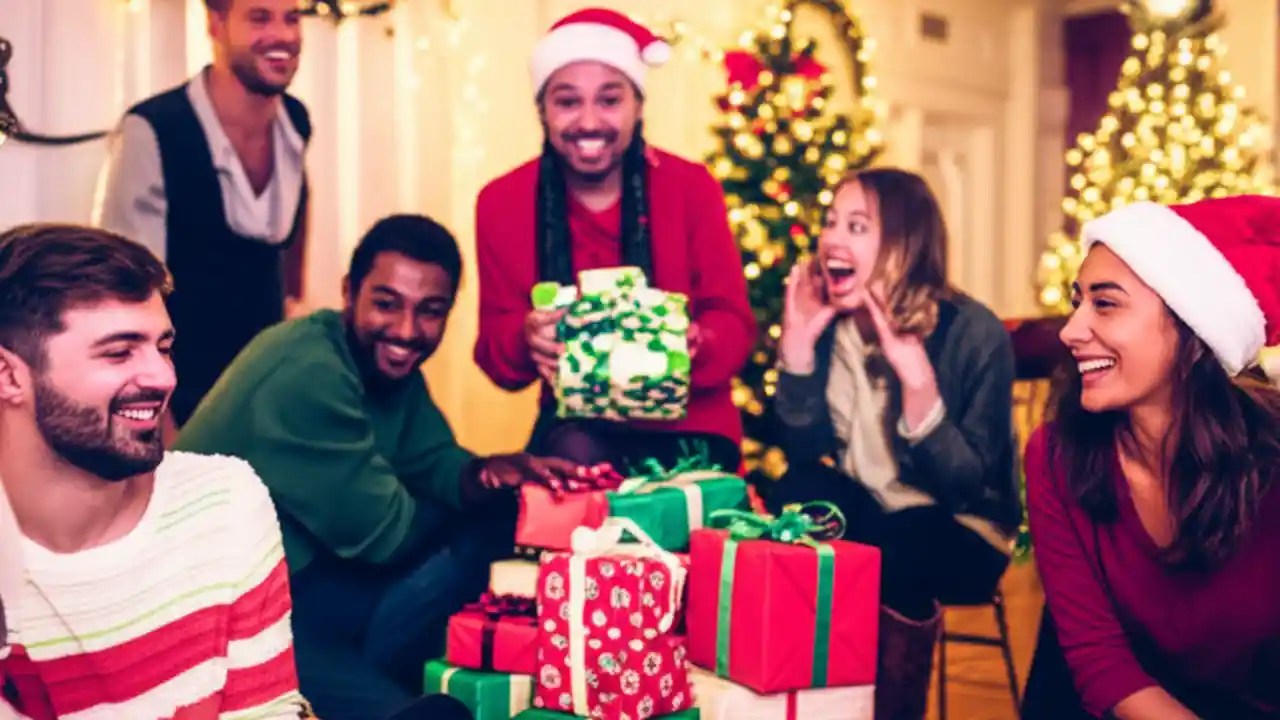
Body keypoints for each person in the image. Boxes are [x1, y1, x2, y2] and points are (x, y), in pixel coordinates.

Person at [175, 214, 574, 719]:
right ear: (349, 292)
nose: (407, 331)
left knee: (493, 517)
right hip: (229, 606)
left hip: (309, 585)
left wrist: (490, 474)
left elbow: (433, 461)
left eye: (430, 311)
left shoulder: (385, 367)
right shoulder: (309, 368)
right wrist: (468, 491)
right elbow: (389, 535)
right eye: (387, 304)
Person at [0, 224, 306, 719]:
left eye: (162, 346)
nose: (164, 378)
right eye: (119, 352)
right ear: (8, 375)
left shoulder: (223, 504)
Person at [768, 168, 1020, 718]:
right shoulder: (833, 325)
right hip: (871, 518)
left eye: (857, 226)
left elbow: (968, 487)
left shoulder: (973, 331)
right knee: (800, 489)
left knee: (896, 544)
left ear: (904, 244)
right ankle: (811, 704)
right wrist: (798, 349)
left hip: (962, 531)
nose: (833, 238)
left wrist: (919, 386)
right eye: (831, 222)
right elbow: (804, 449)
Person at [1024, 196, 1280, 719]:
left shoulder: (1271, 459)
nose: (1071, 330)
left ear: (1191, 328)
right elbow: (1100, 661)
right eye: (1078, 302)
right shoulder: (1055, 452)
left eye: (1105, 303)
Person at [473, 7, 756, 472]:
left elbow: (735, 325)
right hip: (578, 427)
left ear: (638, 105)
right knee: (570, 475)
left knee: (680, 501)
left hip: (692, 425)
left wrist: (697, 342)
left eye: (609, 100)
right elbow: (495, 354)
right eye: (567, 102)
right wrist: (527, 339)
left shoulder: (692, 188)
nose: (589, 122)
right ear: (542, 109)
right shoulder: (503, 202)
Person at [92, 0, 311, 428]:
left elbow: (288, 231)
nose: (283, 35)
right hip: (182, 399)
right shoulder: (153, 129)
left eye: (293, 17)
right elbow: (124, 293)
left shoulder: (297, 121)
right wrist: (158, 420)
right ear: (216, 23)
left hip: (265, 393)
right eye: (260, 17)